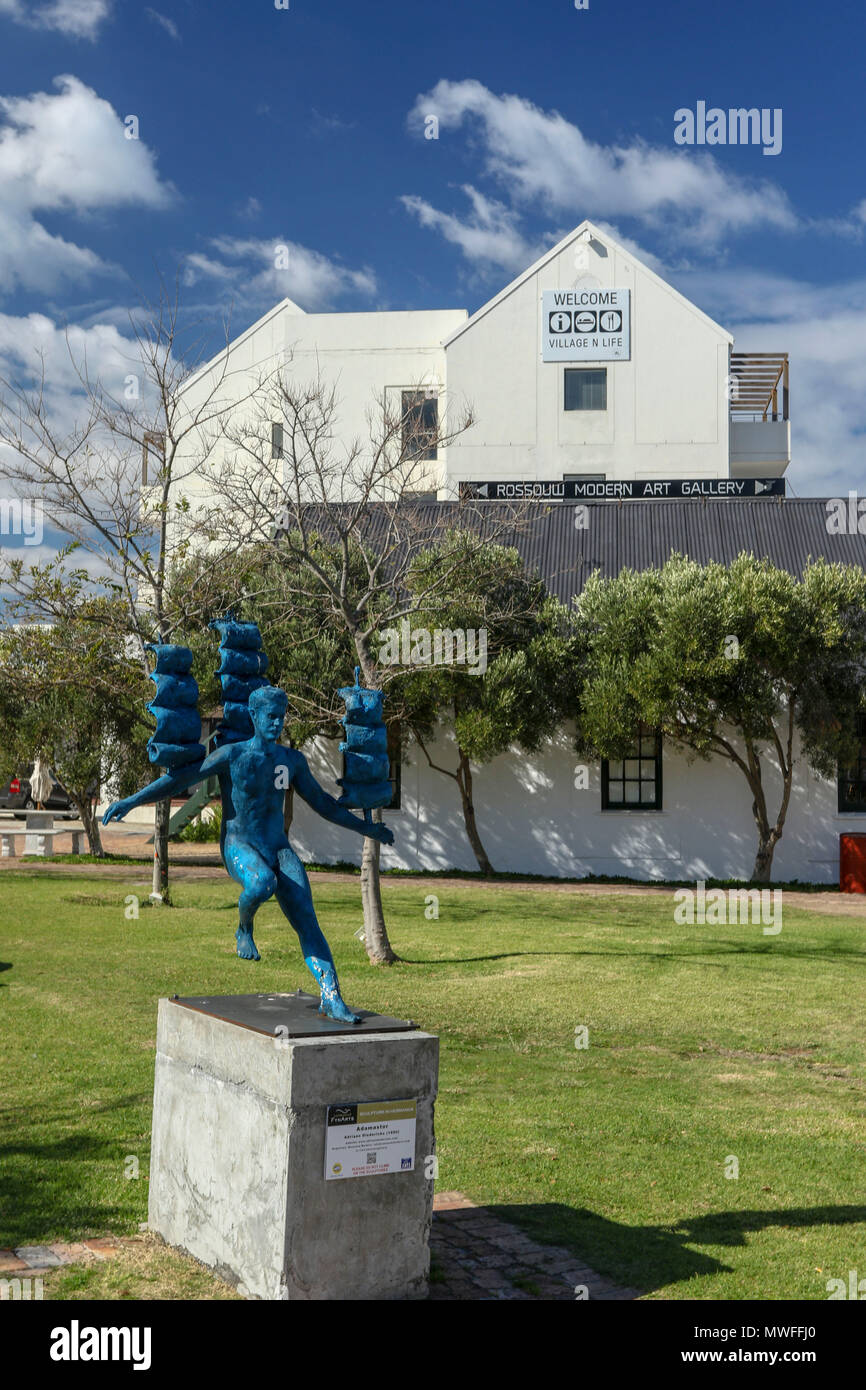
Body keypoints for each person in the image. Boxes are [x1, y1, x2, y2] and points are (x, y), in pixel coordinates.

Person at [103, 685, 393, 1024]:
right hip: (239, 846)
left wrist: (366, 829)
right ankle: (244, 928)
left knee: (307, 921)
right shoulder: (232, 755)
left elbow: (324, 805)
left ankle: (332, 997)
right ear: (254, 716)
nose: (277, 723)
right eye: (270, 716)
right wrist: (131, 801)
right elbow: (179, 779)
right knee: (260, 883)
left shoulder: (292, 761)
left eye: (281, 716)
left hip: (278, 848)